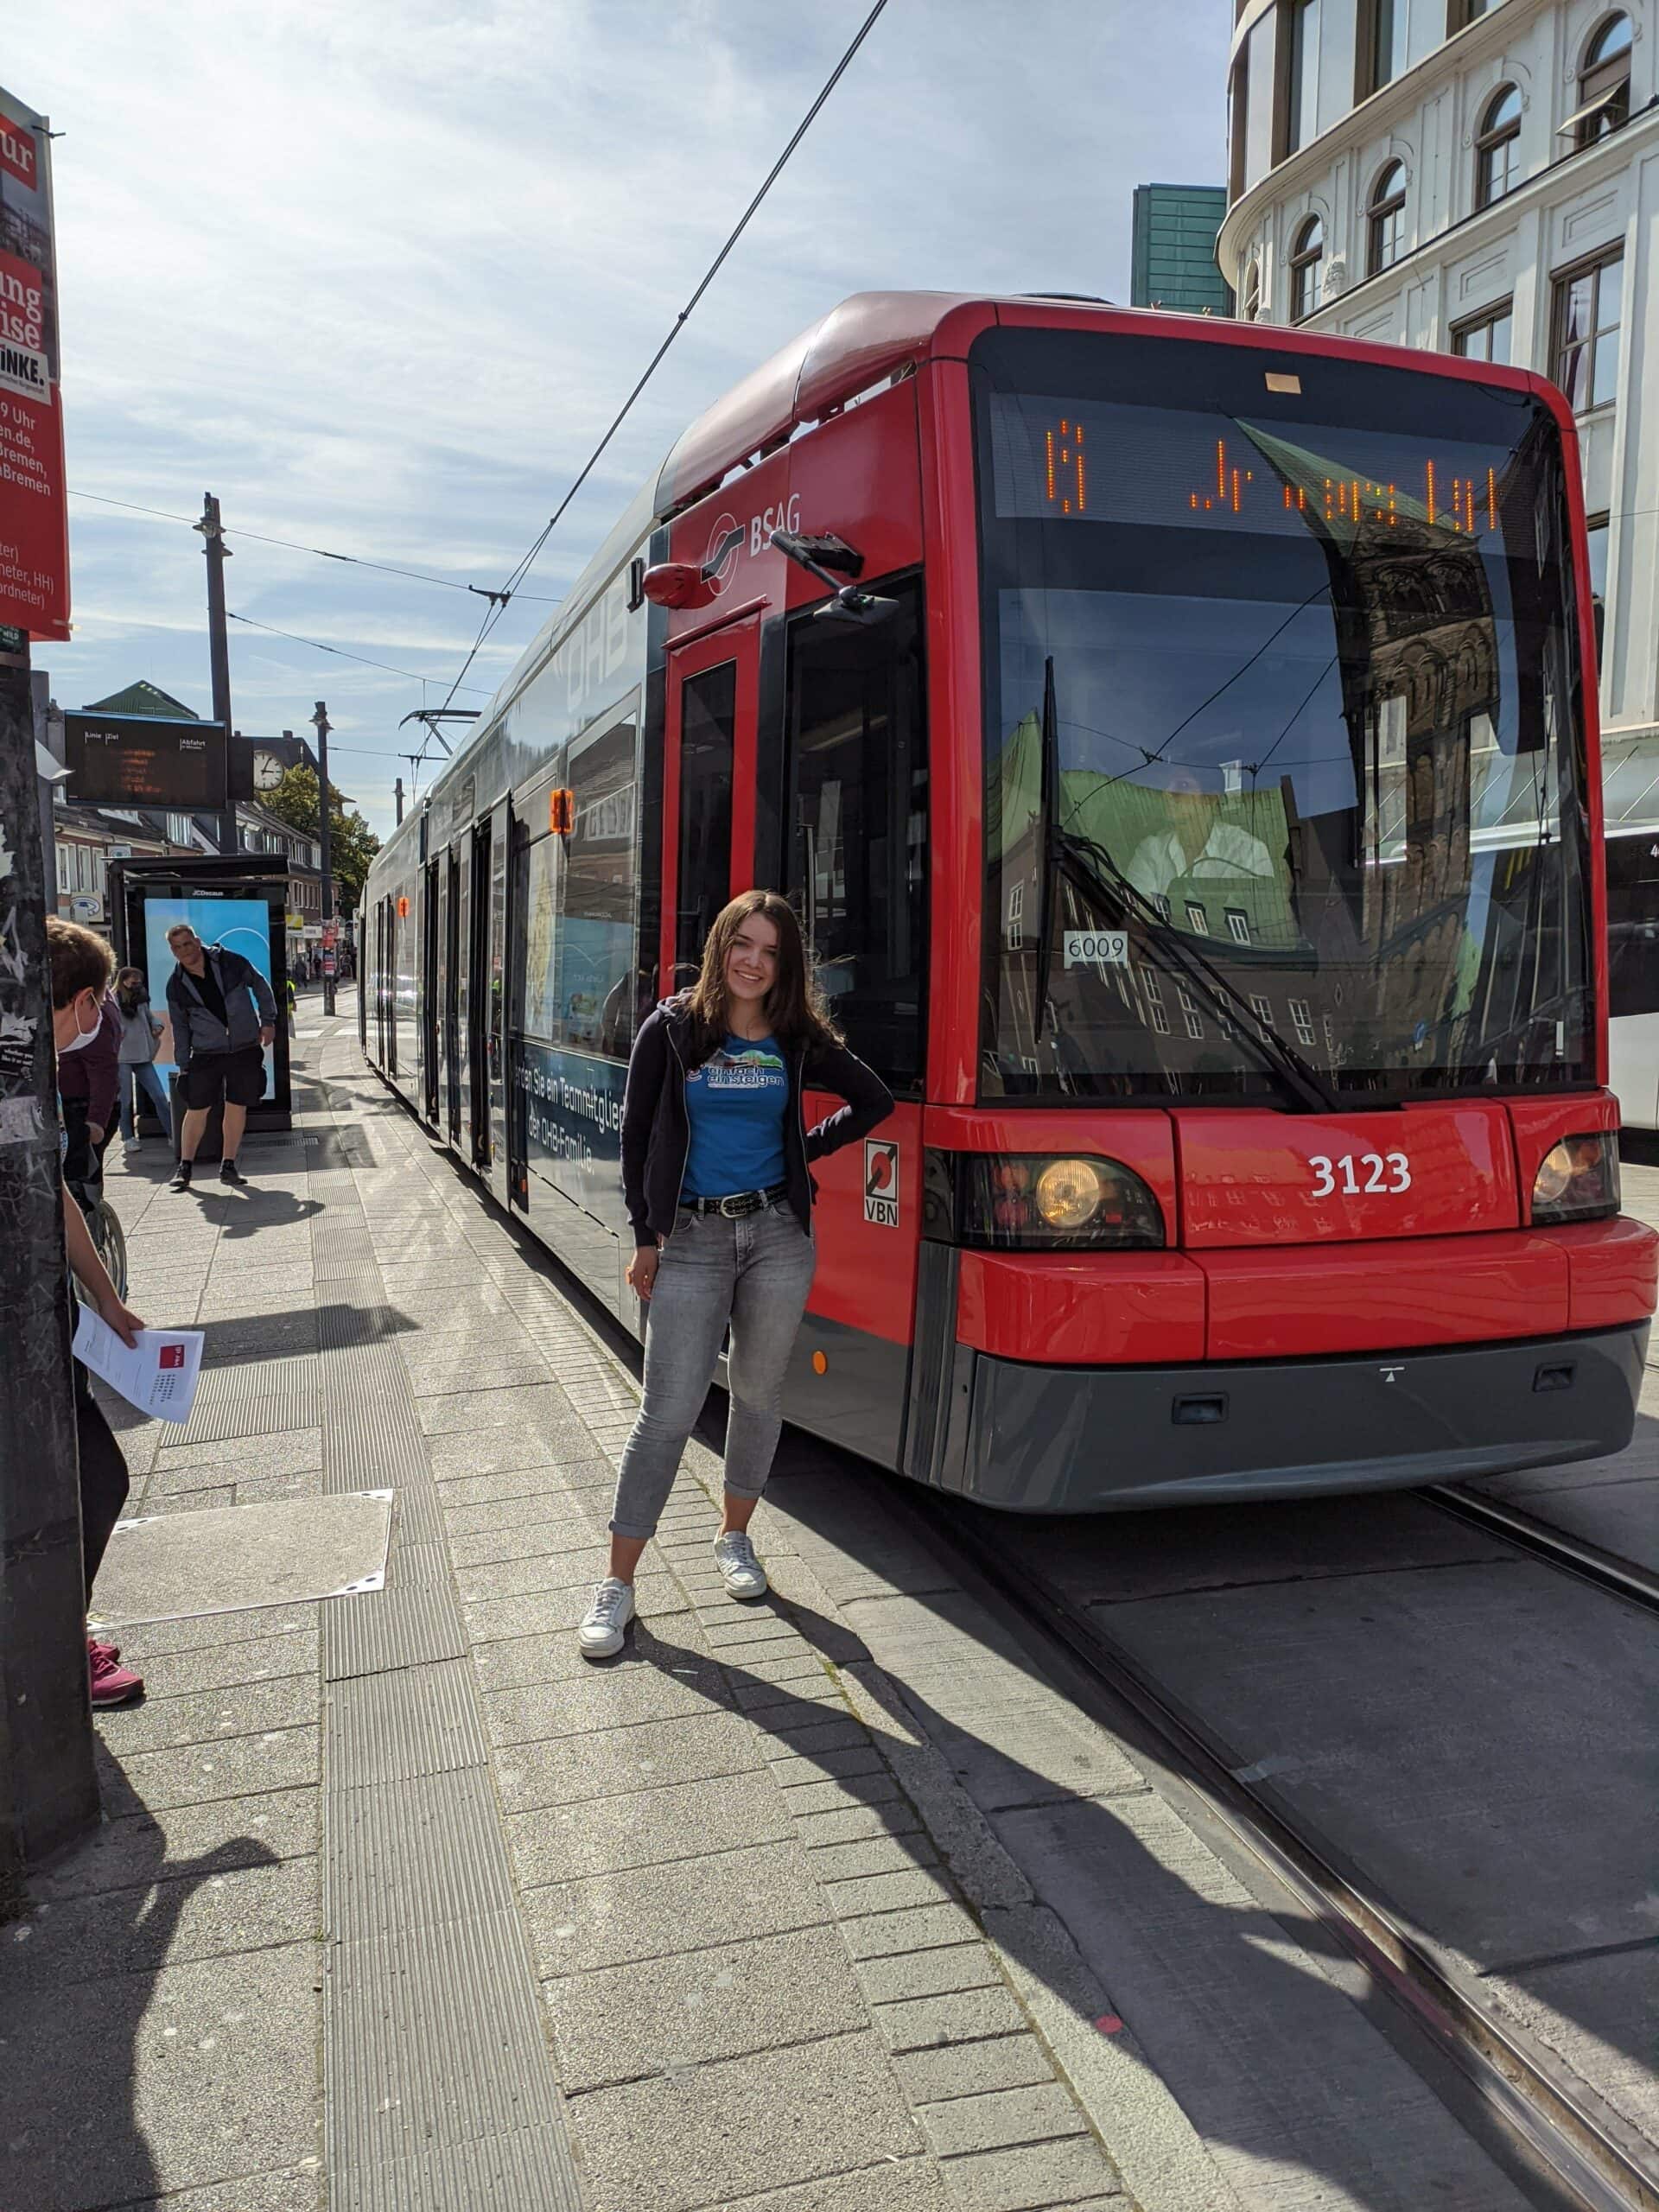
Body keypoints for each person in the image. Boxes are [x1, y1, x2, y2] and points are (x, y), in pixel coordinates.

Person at [577, 890, 893, 1659]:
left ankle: (735, 1537)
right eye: (742, 944)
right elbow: (638, 1131)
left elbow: (872, 1100)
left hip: (779, 1236)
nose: (753, 961)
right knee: (668, 1412)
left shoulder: (793, 1033)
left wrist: (799, 1154)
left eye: (770, 951)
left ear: (785, 966)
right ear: (721, 946)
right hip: (689, 1237)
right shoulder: (674, 1027)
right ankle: (616, 1586)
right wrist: (644, 1233)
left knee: (757, 1394)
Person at [48, 920, 146, 1707]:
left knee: (93, 1477)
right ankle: (52, 1650)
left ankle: (56, 1637)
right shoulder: (22, 1079)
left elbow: (55, 1198)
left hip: (51, 1324)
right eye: (99, 1005)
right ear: (81, 1000)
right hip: (26, 1338)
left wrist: (107, 1300)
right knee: (95, 1478)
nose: (100, 1020)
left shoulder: (29, 1074)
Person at [163, 922, 276, 1192]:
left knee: (237, 1105)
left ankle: (228, 1164)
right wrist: (183, 1065)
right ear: (172, 951)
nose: (184, 951)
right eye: (177, 947)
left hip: (244, 1047)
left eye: (188, 944)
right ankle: (185, 1166)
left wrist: (268, 1019)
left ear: (198, 940)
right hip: (206, 1051)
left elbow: (260, 985)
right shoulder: (176, 984)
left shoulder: (230, 961)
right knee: (197, 1108)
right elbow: (179, 1027)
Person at [57, 969, 120, 1190]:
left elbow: (104, 1069)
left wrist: (95, 1122)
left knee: (75, 1187)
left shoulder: (90, 1011)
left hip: (79, 1110)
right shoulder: (98, 1001)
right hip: (76, 1106)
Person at [113, 966, 168, 1153]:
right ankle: (128, 1136)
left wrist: (158, 1025)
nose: (136, 985)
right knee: (126, 1099)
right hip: (123, 1055)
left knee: (159, 1096)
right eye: (132, 981)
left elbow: (151, 1018)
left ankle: (172, 1133)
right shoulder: (114, 1000)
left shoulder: (142, 1000)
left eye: (139, 981)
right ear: (123, 981)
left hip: (143, 1054)